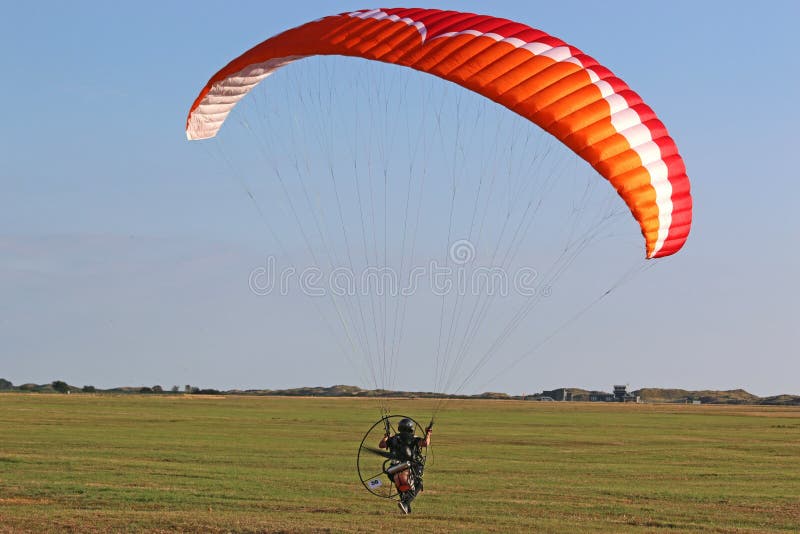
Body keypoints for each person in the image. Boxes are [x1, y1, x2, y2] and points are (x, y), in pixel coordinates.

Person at [379, 418, 432, 514]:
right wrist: (428, 433)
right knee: (419, 483)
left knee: (400, 483)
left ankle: (406, 505)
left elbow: (381, 445)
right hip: (408, 468)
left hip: (392, 470)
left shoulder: (393, 438)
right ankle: (406, 503)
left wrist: (386, 436)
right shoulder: (413, 438)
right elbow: (425, 443)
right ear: (411, 428)